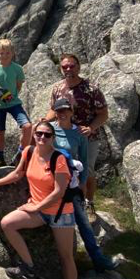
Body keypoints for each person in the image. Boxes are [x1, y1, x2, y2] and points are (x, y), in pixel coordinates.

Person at [0, 118, 79, 279]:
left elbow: (59, 191)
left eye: (47, 135)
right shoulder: (29, 152)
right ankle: (29, 267)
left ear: (53, 138)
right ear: (34, 135)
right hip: (39, 210)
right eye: (38, 134)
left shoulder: (58, 159)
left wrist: (36, 207)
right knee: (8, 223)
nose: (42, 137)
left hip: (60, 212)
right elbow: (18, 173)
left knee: (66, 257)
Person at [51, 97, 117, 272]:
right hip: (52, 184)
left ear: (72, 112)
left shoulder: (78, 134)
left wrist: (81, 184)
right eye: (59, 111)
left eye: (65, 110)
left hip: (72, 185)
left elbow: (85, 161)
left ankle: (98, 259)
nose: (62, 114)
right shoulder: (49, 131)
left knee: (83, 224)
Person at [47, 52, 108, 221]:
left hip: (88, 137)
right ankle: (67, 201)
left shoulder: (91, 89)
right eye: (64, 66)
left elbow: (103, 114)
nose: (68, 69)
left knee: (86, 171)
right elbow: (54, 108)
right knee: (63, 168)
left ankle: (89, 203)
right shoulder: (58, 88)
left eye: (72, 66)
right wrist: (45, 121)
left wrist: (91, 128)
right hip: (65, 135)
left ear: (79, 67)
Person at [0, 39, 32, 166]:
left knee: (27, 127)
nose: (4, 55)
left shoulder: (17, 69)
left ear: (12, 53)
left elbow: (18, 86)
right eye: (2, 53)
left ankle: (20, 154)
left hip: (14, 103)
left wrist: (10, 96)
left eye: (7, 53)